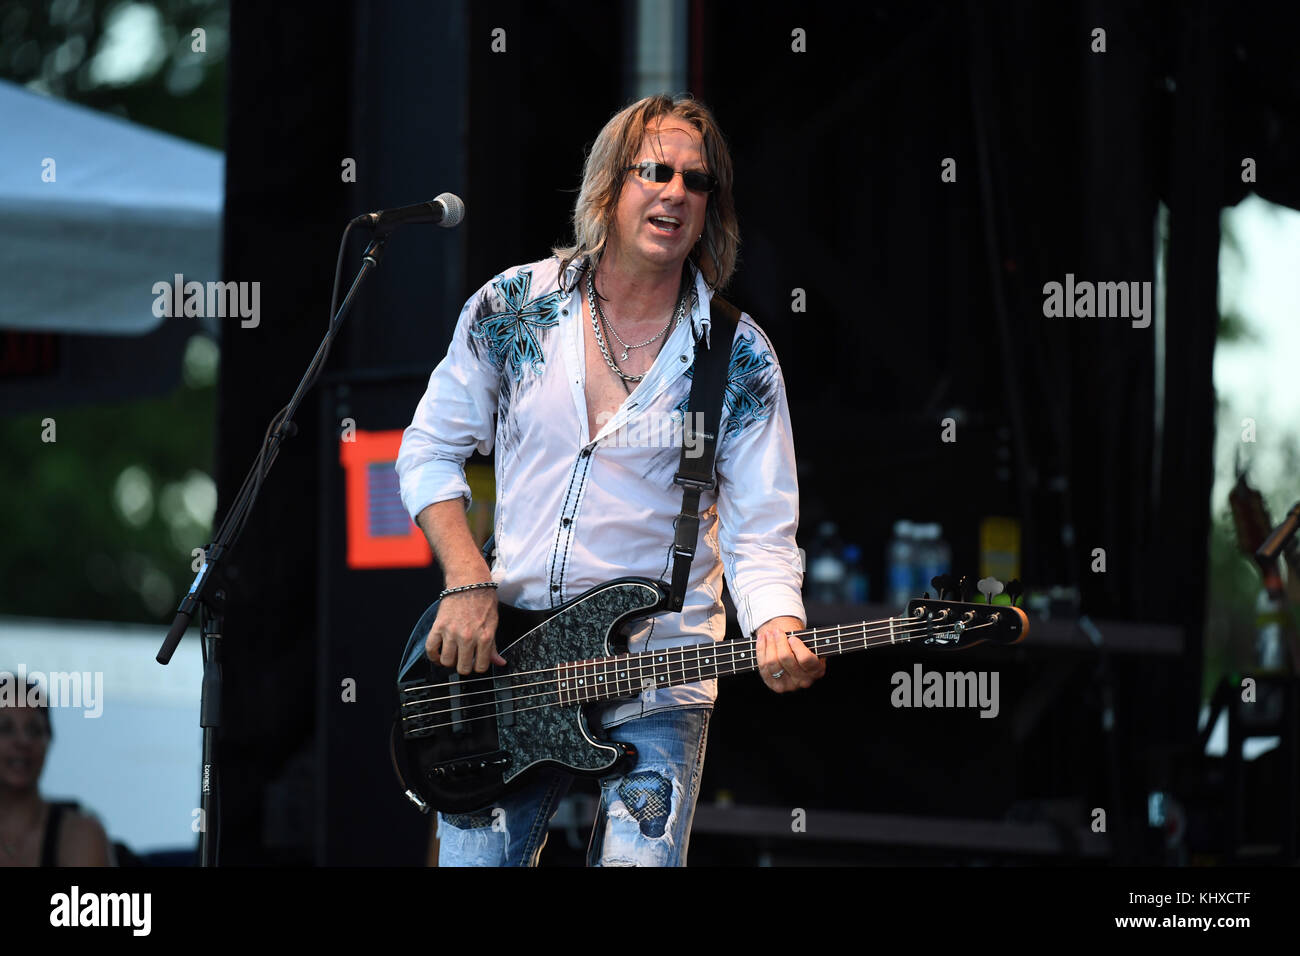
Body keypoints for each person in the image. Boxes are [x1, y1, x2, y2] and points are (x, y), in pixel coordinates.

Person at [396, 93, 825, 867]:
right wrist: (466, 577)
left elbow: (764, 528)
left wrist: (776, 624)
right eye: (654, 171)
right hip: (509, 668)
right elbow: (427, 449)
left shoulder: (740, 357)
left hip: (657, 676)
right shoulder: (514, 306)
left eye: (697, 182)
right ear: (607, 186)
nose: (675, 192)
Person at [0, 677, 114, 867]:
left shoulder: (80, 834)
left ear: (49, 740)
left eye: (34, 730)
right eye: (5, 729)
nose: (22, 742)